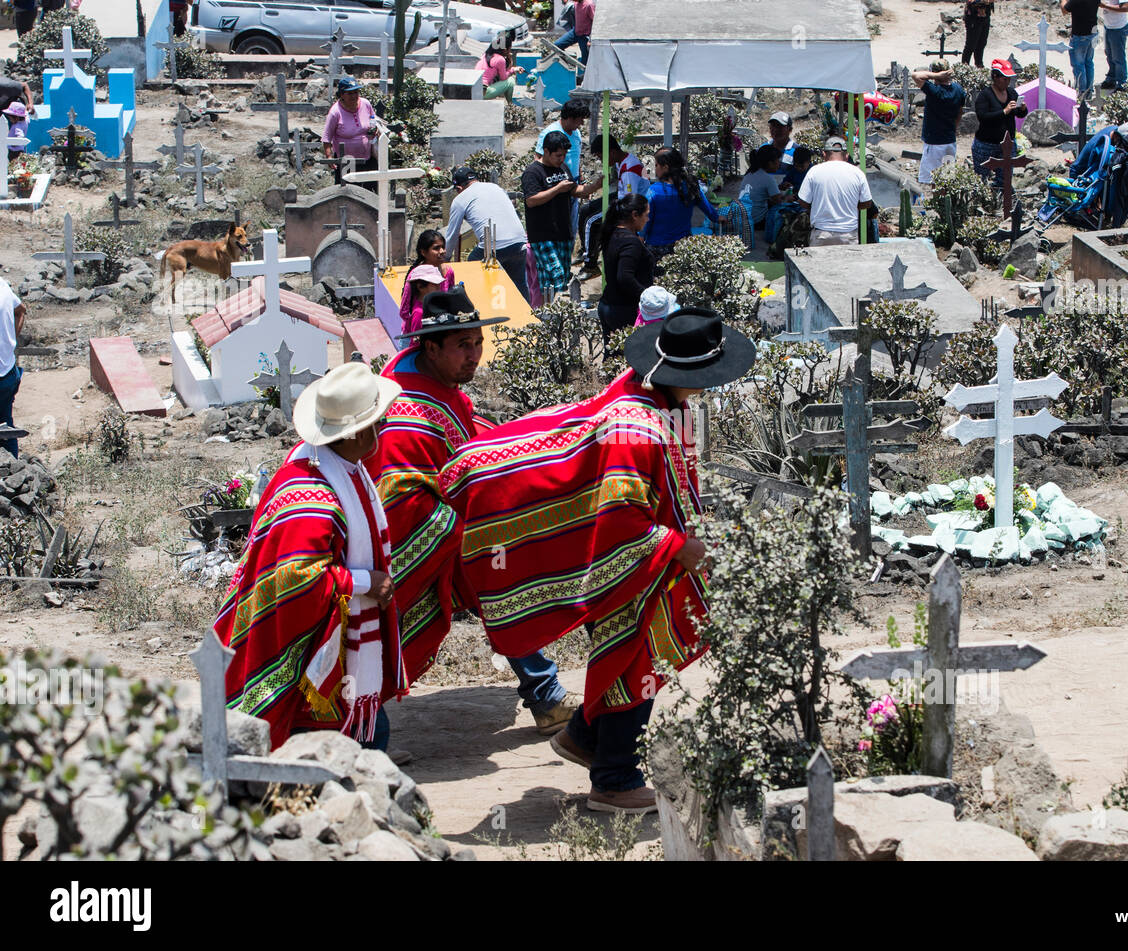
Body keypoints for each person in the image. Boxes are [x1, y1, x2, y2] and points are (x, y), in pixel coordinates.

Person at [439, 308, 757, 813]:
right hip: (617, 559)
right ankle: (614, 779)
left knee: (630, 656)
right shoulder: (638, 428)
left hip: (620, 553)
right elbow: (622, 518)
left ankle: (586, 736)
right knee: (637, 655)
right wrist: (682, 547)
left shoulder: (641, 398)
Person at [370, 286, 582, 735]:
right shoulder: (405, 406)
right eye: (463, 345)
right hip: (411, 537)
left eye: (478, 342)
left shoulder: (435, 383)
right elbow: (400, 493)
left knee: (496, 586)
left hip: (453, 521)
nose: (475, 355)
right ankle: (363, 722)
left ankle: (544, 693)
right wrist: (463, 520)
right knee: (389, 618)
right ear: (430, 346)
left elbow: (462, 442)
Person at [214, 363, 407, 752]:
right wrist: (368, 582)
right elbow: (297, 578)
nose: (383, 428)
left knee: (364, 733)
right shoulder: (315, 500)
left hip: (324, 640)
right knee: (339, 741)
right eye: (377, 422)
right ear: (357, 433)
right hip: (307, 651)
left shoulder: (327, 465)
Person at [523, 131, 601, 298]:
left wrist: (595, 186)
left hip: (563, 234)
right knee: (555, 278)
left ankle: (552, 314)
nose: (562, 159)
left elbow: (575, 190)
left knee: (562, 279)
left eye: (564, 155)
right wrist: (557, 189)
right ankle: (552, 314)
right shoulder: (533, 172)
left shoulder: (563, 168)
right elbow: (531, 200)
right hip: (543, 236)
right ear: (546, 151)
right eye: (558, 155)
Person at [443, 166, 530, 299]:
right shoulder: (495, 187)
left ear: (459, 189)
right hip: (519, 241)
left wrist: (445, 259)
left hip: (495, 245)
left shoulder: (460, 199)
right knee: (518, 284)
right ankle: (526, 315)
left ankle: (478, 305)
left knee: (473, 264)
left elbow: (452, 234)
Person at [576, 137, 648, 280]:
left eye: (601, 156)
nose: (601, 161)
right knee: (584, 210)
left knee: (591, 222)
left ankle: (591, 265)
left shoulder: (629, 169)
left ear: (612, 152)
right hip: (620, 196)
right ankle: (586, 250)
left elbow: (630, 199)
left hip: (629, 202)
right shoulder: (621, 162)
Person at [534, 100, 593, 246]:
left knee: (570, 228)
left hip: (573, 185)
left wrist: (582, 181)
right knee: (556, 228)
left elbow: (576, 158)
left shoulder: (576, 133)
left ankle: (567, 261)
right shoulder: (550, 133)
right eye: (579, 120)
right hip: (555, 186)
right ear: (571, 118)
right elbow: (539, 159)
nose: (581, 124)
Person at [797, 136, 875, 246]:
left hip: (821, 233)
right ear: (847, 156)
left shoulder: (814, 171)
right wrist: (851, 205)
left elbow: (803, 201)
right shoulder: (858, 173)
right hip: (848, 234)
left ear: (824, 155)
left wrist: (817, 206)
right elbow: (867, 203)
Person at [643, 147, 719, 258]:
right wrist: (717, 218)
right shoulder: (691, 186)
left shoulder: (654, 191)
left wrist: (640, 236)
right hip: (683, 246)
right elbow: (707, 208)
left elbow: (646, 219)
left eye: (656, 165)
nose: (654, 169)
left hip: (657, 247)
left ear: (665, 167)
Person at [597, 194, 653, 341]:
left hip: (607, 304)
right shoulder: (630, 242)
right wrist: (648, 297)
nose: (647, 220)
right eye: (646, 215)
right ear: (635, 215)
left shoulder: (612, 234)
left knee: (611, 358)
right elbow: (625, 276)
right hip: (623, 310)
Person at [971, 60, 1027, 189]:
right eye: (1004, 78)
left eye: (1009, 79)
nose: (1007, 82)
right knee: (980, 178)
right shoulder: (985, 95)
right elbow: (983, 117)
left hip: (1007, 144)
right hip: (986, 143)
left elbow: (1018, 114)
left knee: (1004, 178)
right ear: (995, 77)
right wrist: (1004, 111)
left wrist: (1022, 109)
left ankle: (1002, 203)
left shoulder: (1012, 93)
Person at [912, 60, 966, 186]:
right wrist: (953, 129)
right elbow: (960, 113)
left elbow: (915, 75)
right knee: (947, 178)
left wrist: (935, 76)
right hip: (950, 139)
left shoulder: (935, 91)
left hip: (934, 141)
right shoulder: (958, 90)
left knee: (933, 179)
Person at [322, 77, 379, 185]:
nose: (354, 96)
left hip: (368, 158)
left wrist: (375, 130)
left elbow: (373, 121)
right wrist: (329, 157)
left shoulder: (366, 104)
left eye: (356, 92)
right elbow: (326, 137)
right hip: (347, 162)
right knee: (348, 193)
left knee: (369, 192)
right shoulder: (335, 112)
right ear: (342, 95)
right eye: (350, 93)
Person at [738, 144, 795, 246]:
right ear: (770, 163)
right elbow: (779, 201)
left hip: (743, 217)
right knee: (785, 209)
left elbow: (761, 189)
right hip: (757, 221)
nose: (779, 164)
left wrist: (779, 187)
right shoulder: (768, 178)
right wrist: (788, 197)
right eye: (778, 161)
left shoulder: (750, 172)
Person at [0, 278, 25, 459]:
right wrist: (12, 340)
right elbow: (21, 310)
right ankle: (15, 473)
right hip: (8, 372)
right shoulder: (4, 287)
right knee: (6, 427)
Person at [1062, 0, 1102, 100]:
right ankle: (1089, 92)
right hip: (1093, 33)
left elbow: (1064, 10)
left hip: (1080, 35)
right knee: (1088, 63)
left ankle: (1082, 93)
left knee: (1078, 65)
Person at [479, 32, 524, 101]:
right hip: (485, 92)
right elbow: (504, 78)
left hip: (476, 89)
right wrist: (513, 69)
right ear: (505, 49)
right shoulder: (500, 59)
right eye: (509, 49)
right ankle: (511, 106)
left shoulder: (485, 55)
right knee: (511, 81)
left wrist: (513, 68)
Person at [1099, 0, 1128, 91]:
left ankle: (1121, 83)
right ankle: (1111, 78)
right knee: (1110, 55)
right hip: (1108, 27)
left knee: (1118, 57)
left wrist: (1105, 6)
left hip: (1118, 28)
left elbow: (1125, 8)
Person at [554, 0, 595, 66]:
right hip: (575, 32)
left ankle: (583, 75)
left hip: (585, 35)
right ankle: (570, 62)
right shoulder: (576, 4)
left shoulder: (589, 5)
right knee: (557, 46)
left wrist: (590, 39)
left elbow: (595, 23)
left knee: (585, 60)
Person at [962, 0, 994, 69]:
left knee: (981, 43)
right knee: (970, 45)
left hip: (985, 15)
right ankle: (964, 68)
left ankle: (979, 65)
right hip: (973, 17)